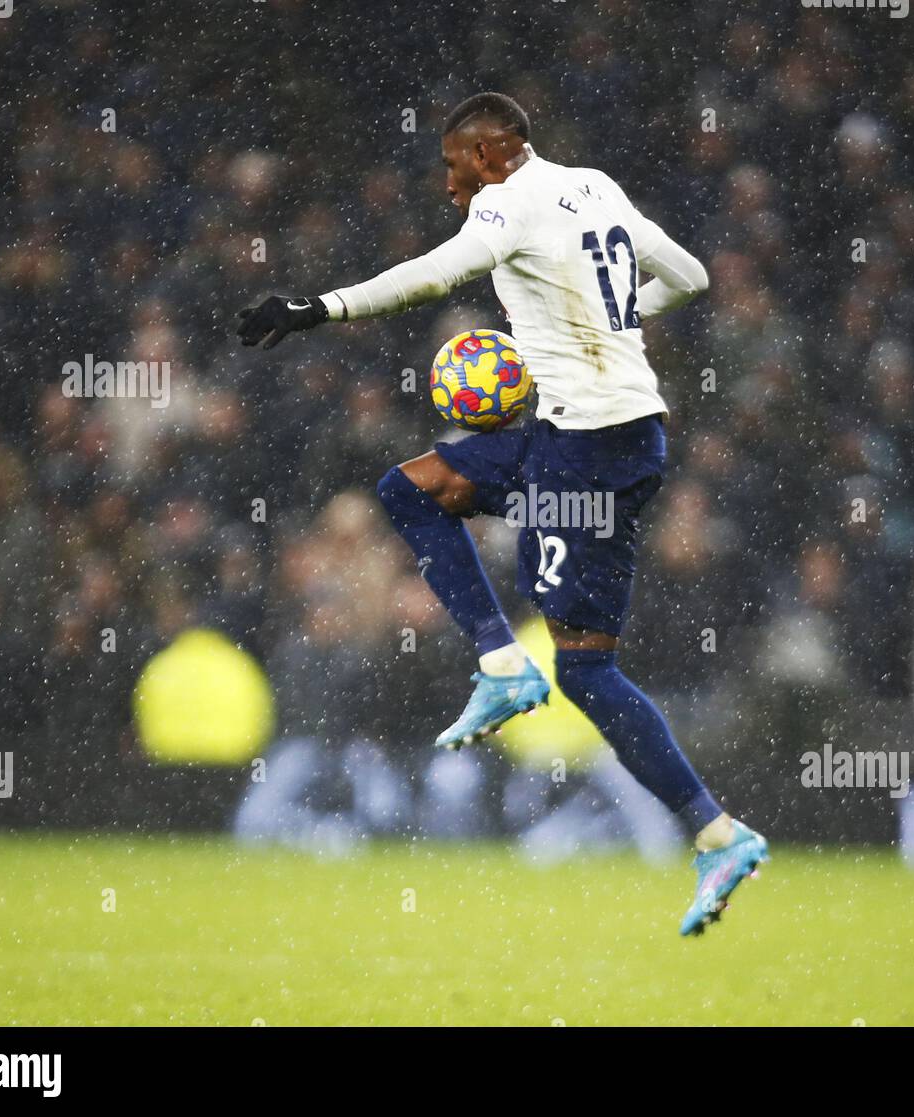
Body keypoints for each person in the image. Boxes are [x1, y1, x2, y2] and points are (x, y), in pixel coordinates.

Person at [237, 92, 766, 935]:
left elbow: (436, 274)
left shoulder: (506, 200)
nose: (450, 187)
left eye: (452, 167)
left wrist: (316, 309)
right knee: (415, 490)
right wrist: (610, 330)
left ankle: (507, 668)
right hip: (630, 441)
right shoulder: (595, 186)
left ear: (490, 152)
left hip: (582, 448)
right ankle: (714, 831)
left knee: (577, 663)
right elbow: (692, 278)